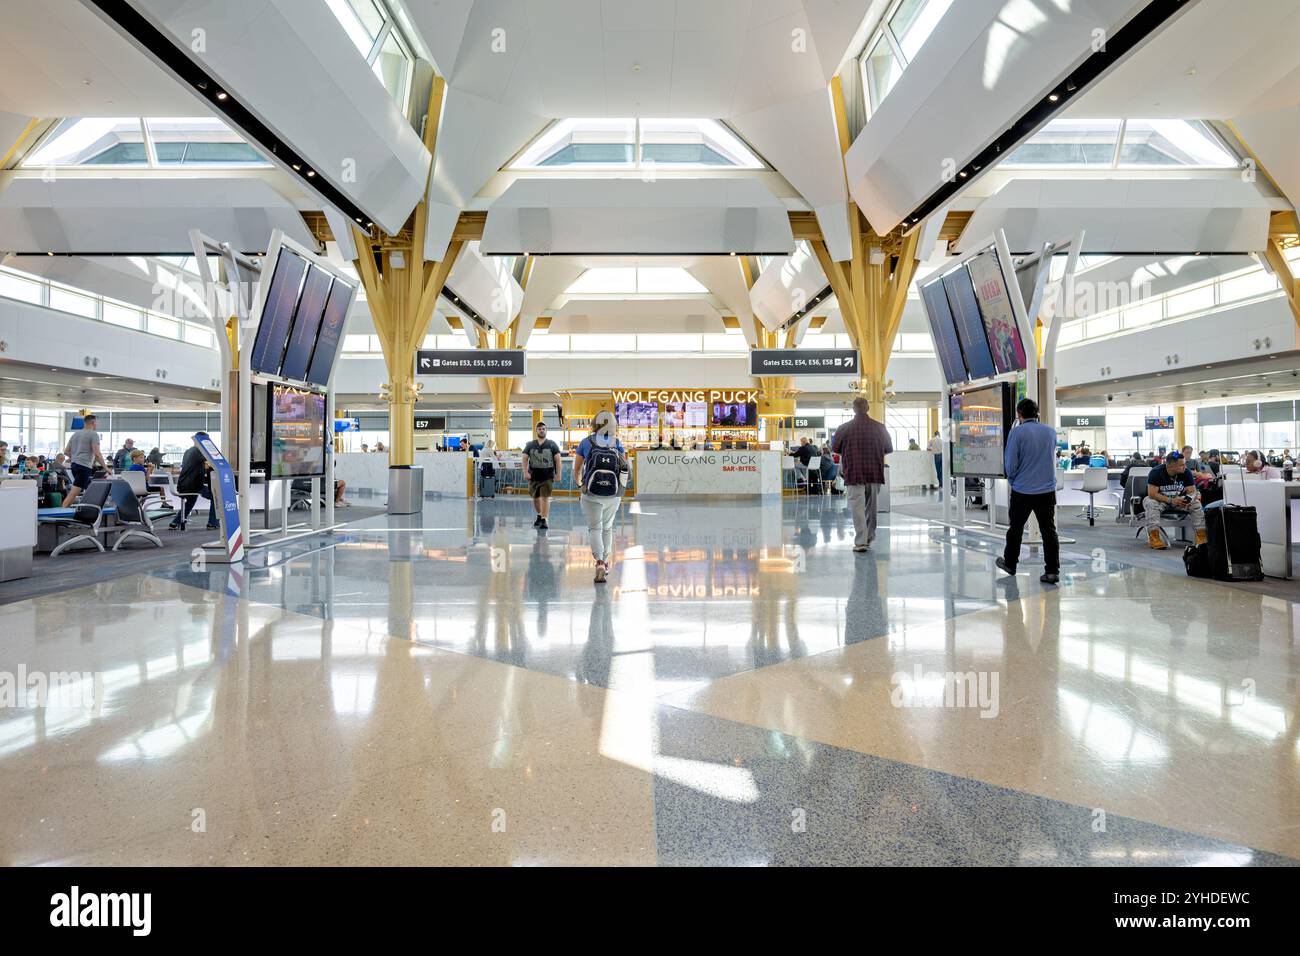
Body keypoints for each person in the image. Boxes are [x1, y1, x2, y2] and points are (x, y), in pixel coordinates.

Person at [995, 398, 1061, 584]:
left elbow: (1011, 462)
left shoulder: (1017, 433)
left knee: (1015, 529)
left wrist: (1013, 480)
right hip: (1046, 490)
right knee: (1049, 531)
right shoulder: (1050, 432)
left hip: (1023, 490)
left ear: (1019, 414)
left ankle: (1010, 563)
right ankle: (1052, 571)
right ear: (1037, 413)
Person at [831, 397, 892, 553]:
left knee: (857, 507)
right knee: (871, 507)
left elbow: (835, 448)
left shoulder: (843, 428)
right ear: (868, 408)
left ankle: (861, 541)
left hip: (854, 472)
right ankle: (869, 537)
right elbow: (889, 448)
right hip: (874, 471)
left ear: (853, 409)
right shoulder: (880, 427)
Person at [574, 411, 627, 584]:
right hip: (612, 493)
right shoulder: (617, 443)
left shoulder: (585, 442)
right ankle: (605, 562)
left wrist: (579, 485)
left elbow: (577, 470)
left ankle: (599, 563)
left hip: (591, 493)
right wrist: (620, 491)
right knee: (607, 528)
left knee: (594, 528)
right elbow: (624, 470)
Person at [1143, 450, 1206, 550]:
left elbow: (1192, 491)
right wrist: (1170, 500)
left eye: (1184, 464)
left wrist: (1188, 499)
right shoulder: (1156, 472)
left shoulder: (1186, 472)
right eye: (1181, 465)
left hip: (1179, 501)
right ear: (1171, 466)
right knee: (1150, 502)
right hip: (1161, 500)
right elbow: (1152, 494)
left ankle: (1201, 536)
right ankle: (1154, 537)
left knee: (1196, 504)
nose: (1184, 467)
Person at [170, 433, 219, 530]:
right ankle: (212, 523)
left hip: (182, 484)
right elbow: (214, 459)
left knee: (191, 499)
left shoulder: (188, 451)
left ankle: (175, 522)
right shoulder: (199, 451)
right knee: (215, 496)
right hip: (193, 485)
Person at [522, 420, 563, 530]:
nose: (542, 430)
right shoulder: (530, 444)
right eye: (539, 429)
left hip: (547, 476)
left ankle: (544, 519)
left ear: (546, 430)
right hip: (533, 476)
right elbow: (524, 458)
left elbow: (558, 460)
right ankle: (540, 515)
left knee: (545, 498)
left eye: (543, 429)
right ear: (536, 431)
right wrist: (525, 472)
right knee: (535, 498)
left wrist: (558, 474)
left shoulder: (552, 444)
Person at [62, 414, 107, 507]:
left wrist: (74, 457)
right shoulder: (93, 434)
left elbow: (66, 452)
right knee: (73, 493)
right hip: (84, 467)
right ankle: (61, 513)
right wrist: (106, 468)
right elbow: (97, 453)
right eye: (96, 423)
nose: (96, 425)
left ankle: (89, 510)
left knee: (90, 490)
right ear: (93, 422)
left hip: (74, 465)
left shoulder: (75, 434)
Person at [927, 430, 943, 494]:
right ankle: (942, 484)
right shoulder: (942, 440)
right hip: (942, 455)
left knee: (938, 470)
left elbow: (928, 448)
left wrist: (933, 449)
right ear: (939, 434)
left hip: (936, 456)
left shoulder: (932, 440)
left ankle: (940, 484)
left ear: (934, 434)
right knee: (942, 471)